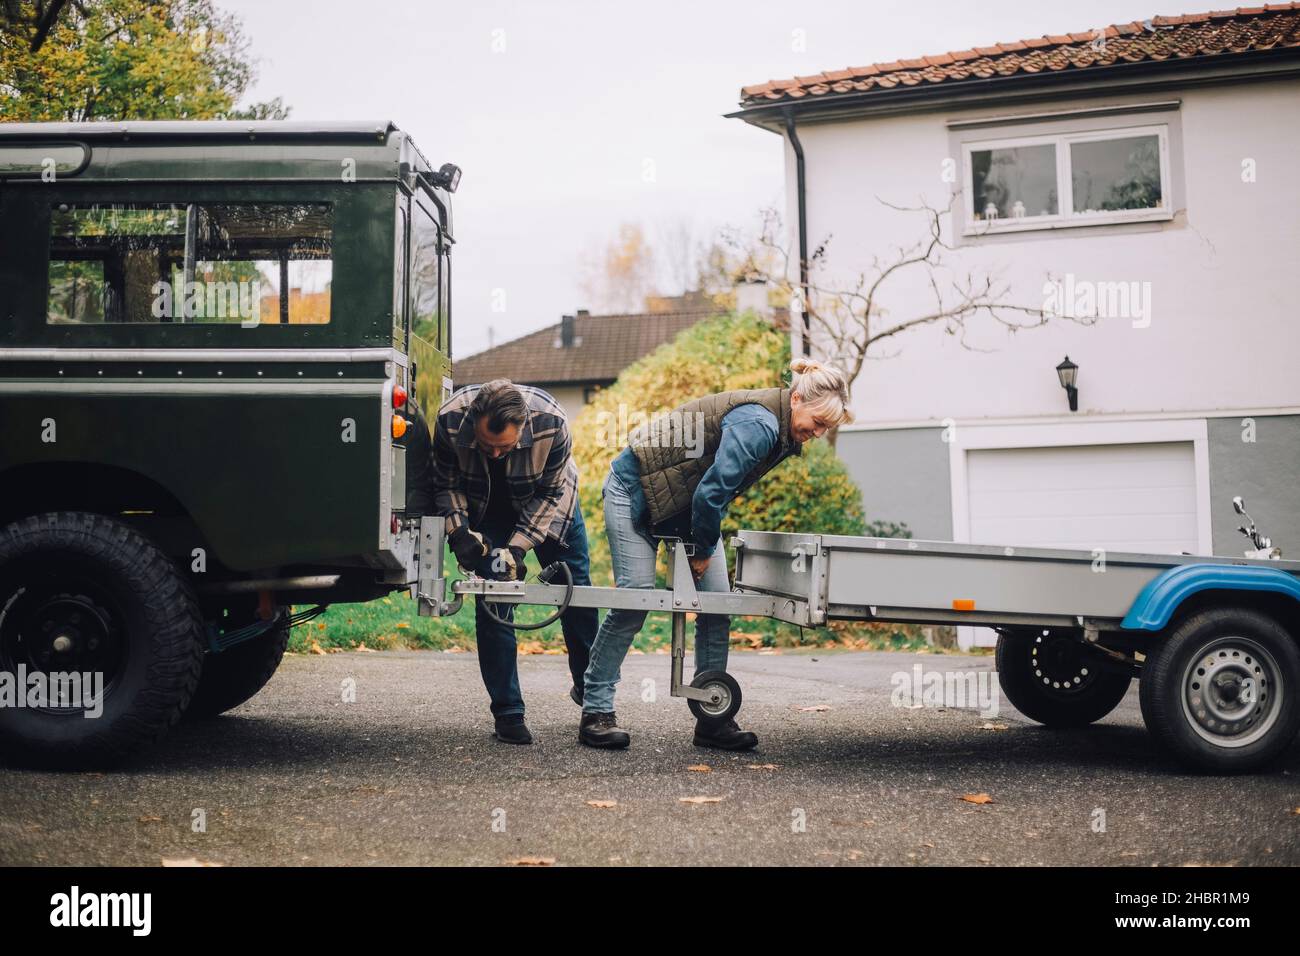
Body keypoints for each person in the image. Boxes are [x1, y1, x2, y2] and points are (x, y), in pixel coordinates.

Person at [578, 358, 855, 751]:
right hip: (634, 489)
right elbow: (712, 493)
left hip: (684, 505)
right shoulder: (759, 425)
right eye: (817, 421)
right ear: (796, 399)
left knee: (716, 606)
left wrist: (703, 545)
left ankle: (712, 718)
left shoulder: (780, 427)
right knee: (634, 598)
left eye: (826, 427)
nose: (817, 432)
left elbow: (712, 491)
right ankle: (596, 711)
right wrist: (704, 549)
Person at [428, 378, 596, 744]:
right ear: (474, 423)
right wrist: (459, 534)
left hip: (550, 505)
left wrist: (518, 550)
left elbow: (552, 493)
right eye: (487, 446)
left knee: (578, 596)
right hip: (485, 506)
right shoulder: (450, 420)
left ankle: (593, 700)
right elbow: (446, 484)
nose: (495, 455)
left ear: (522, 429)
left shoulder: (551, 421)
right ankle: (508, 713)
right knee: (495, 601)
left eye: (504, 448)